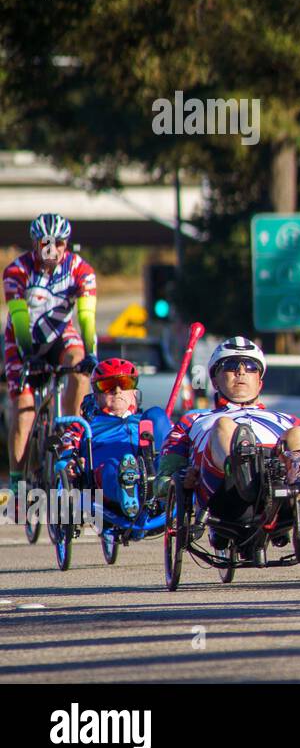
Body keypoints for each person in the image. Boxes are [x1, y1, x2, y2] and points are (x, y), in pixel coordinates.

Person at [157, 336, 300, 549]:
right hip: (225, 492)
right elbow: (163, 481)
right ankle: (246, 476)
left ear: (259, 381)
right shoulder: (193, 419)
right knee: (224, 425)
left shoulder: (286, 419)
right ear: (215, 380)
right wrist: (179, 480)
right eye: (230, 366)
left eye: (250, 367)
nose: (241, 372)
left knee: (299, 433)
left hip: (281, 489)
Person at [3, 214, 98, 496]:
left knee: (79, 365)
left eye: (59, 243)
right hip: (23, 339)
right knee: (24, 412)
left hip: (60, 335)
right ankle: (18, 483)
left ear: (67, 243)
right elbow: (19, 317)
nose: (52, 249)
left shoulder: (82, 270)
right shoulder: (17, 271)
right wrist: (28, 353)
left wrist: (90, 353)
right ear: (35, 243)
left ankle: (71, 434)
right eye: (46, 243)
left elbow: (86, 316)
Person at [54, 358, 172, 520]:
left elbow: (175, 436)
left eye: (124, 384)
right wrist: (69, 462)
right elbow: (67, 442)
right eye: (108, 385)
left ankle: (164, 489)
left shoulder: (145, 421)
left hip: (148, 469)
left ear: (134, 392)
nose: (117, 391)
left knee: (157, 415)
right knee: (111, 468)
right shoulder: (86, 424)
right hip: (106, 474)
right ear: (96, 395)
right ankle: (126, 492)